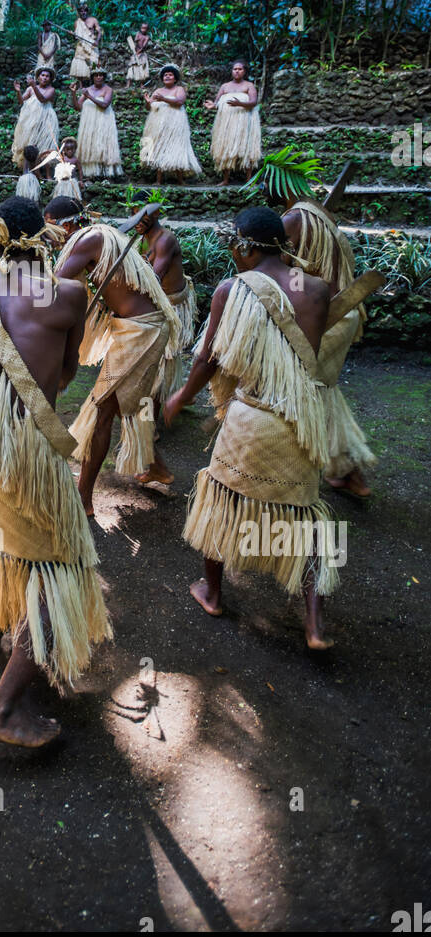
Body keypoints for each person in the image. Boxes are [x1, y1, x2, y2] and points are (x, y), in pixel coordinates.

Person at [0, 197, 112, 747]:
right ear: (44, 238)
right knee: (58, 560)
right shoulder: (68, 294)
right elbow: (65, 374)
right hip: (27, 448)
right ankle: (2, 710)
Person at [163, 206, 339, 649]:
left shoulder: (233, 289)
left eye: (233, 245)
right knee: (306, 516)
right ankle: (314, 624)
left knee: (221, 499)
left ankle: (213, 593)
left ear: (244, 246)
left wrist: (182, 397)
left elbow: (209, 357)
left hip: (253, 417)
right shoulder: (316, 287)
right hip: (302, 420)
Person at [55, 208, 180, 514]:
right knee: (130, 403)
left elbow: (54, 285)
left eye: (51, 225)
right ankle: (157, 467)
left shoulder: (90, 239)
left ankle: (84, 497)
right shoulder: (99, 237)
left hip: (142, 331)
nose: (50, 235)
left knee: (103, 410)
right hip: (138, 327)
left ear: (67, 224)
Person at [281, 197, 375, 497]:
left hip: (328, 316)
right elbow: (301, 272)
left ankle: (340, 469)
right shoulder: (320, 217)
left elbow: (287, 273)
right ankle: (345, 469)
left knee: (306, 386)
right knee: (322, 388)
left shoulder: (291, 221)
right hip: (341, 312)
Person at [141, 202, 197, 410]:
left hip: (172, 302)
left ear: (155, 213)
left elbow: (153, 278)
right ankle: (177, 391)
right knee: (166, 353)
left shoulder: (165, 240)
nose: (137, 220)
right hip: (159, 300)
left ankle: (158, 407)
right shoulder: (142, 237)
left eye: (142, 214)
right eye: (133, 214)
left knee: (165, 354)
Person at [139, 64, 202, 184]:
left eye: (170, 75)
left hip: (175, 123)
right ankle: (158, 180)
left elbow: (180, 101)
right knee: (159, 147)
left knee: (176, 148)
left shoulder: (179, 89)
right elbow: (150, 107)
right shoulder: (158, 91)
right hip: (158, 124)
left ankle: (180, 180)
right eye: (165, 75)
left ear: (175, 78)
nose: (167, 76)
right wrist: (147, 102)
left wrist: (163, 99)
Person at [205, 59, 261, 185]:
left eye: (240, 69)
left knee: (247, 147)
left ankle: (248, 179)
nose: (237, 71)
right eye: (235, 69)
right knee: (225, 147)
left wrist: (239, 103)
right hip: (226, 122)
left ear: (244, 71)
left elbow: (253, 102)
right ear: (231, 71)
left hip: (244, 121)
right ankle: (225, 179)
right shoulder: (225, 86)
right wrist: (212, 106)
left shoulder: (249, 85)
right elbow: (217, 103)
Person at [71, 68, 123, 178]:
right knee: (90, 144)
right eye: (96, 75)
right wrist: (73, 93)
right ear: (92, 77)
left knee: (104, 144)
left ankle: (106, 173)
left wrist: (89, 96)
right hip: (89, 123)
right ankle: (91, 173)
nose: (99, 77)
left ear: (104, 77)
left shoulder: (108, 90)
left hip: (104, 121)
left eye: (101, 75)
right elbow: (78, 107)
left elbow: (105, 105)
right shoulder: (88, 90)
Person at [11, 67, 60, 168]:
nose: (45, 78)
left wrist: (34, 86)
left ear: (50, 79)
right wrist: (18, 91)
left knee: (44, 144)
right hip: (31, 119)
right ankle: (27, 168)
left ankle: (43, 170)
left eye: (47, 76)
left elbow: (42, 99)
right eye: (43, 75)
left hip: (45, 119)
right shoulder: (30, 89)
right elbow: (21, 102)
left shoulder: (51, 90)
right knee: (29, 142)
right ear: (38, 77)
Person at [69, 2, 101, 81]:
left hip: (91, 45)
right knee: (79, 63)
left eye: (84, 11)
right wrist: (72, 34)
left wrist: (97, 41)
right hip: (81, 46)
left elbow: (99, 32)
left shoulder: (93, 20)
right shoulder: (77, 22)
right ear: (79, 13)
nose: (83, 13)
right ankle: (81, 85)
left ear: (87, 11)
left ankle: (94, 83)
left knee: (94, 63)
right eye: (81, 11)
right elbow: (76, 37)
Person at [52, 136, 84, 201]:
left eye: (72, 149)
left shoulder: (75, 160)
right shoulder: (62, 159)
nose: (70, 151)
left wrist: (81, 181)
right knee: (61, 197)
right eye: (68, 149)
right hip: (62, 182)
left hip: (72, 182)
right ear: (64, 150)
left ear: (75, 149)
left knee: (72, 197)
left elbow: (80, 170)